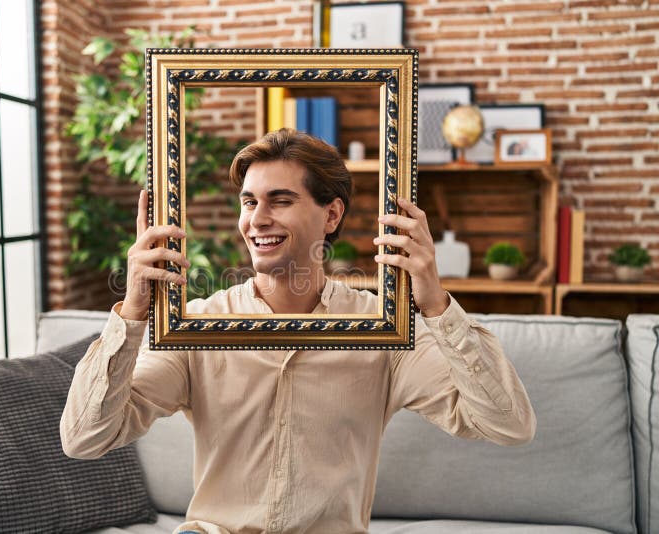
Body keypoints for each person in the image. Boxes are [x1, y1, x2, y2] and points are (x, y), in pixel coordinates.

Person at [60, 128, 536, 534]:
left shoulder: (383, 331)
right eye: (249, 202)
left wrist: (434, 302)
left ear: (331, 215)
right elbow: (84, 439)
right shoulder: (199, 325)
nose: (257, 219)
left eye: (280, 200)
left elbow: (508, 425)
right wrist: (133, 312)